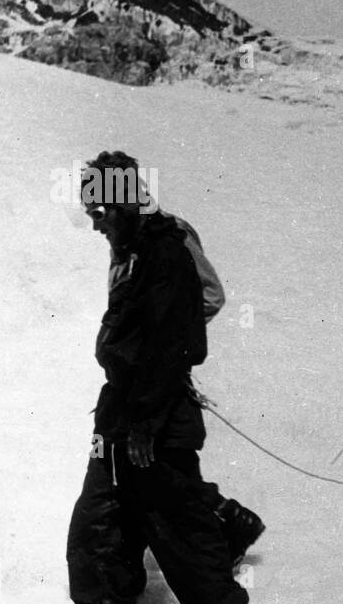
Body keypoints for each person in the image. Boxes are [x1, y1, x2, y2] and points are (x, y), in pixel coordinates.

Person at [33, 154, 265, 604]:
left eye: (98, 209)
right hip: (121, 409)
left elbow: (172, 338)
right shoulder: (131, 249)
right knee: (99, 523)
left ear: (121, 201)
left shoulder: (165, 249)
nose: (93, 221)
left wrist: (147, 416)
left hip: (153, 418)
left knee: (180, 530)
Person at [91, 152, 265, 566]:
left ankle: (223, 532)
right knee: (159, 476)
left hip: (161, 375)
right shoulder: (128, 240)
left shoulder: (169, 238)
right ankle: (226, 524)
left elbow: (209, 296)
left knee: (163, 471)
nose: (95, 223)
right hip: (140, 378)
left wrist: (160, 335)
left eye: (99, 209)